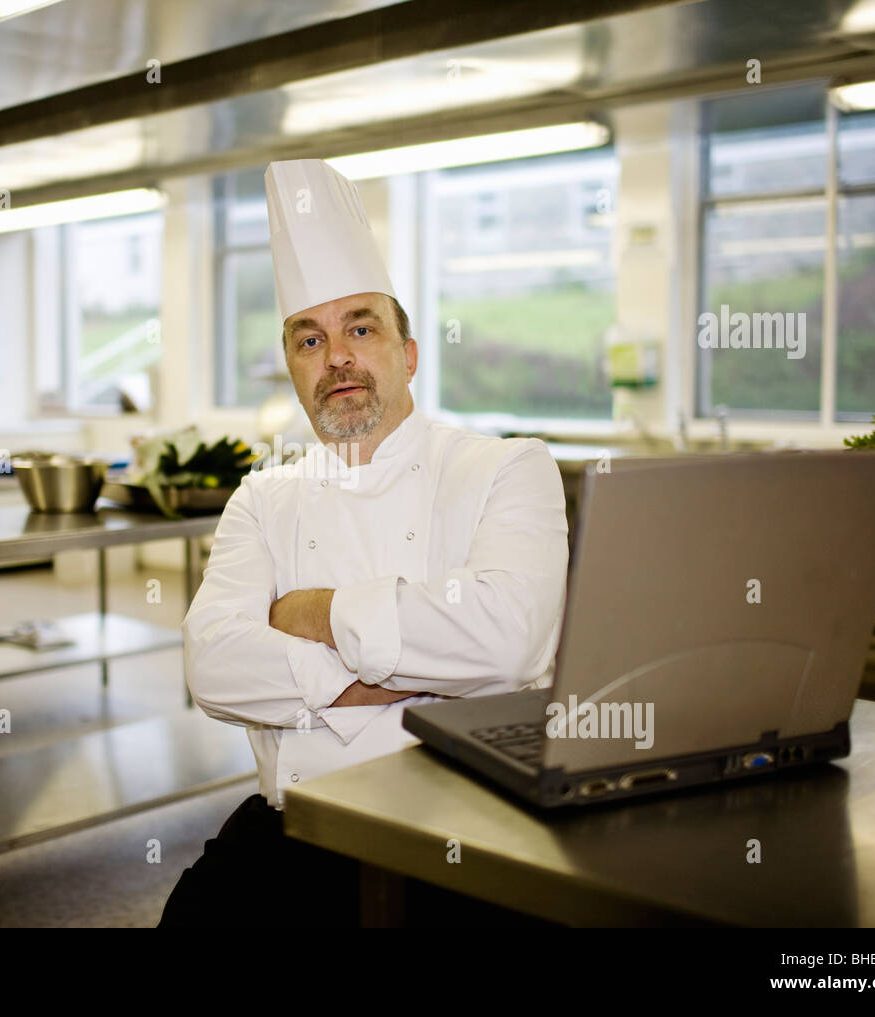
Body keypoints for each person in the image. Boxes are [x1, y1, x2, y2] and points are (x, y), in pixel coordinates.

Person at [158, 159, 568, 927]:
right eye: (308, 338)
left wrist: (311, 610)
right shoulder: (265, 495)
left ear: (408, 353)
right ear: (292, 369)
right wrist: (404, 677)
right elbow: (211, 662)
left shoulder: (504, 467)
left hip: (468, 838)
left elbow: (506, 641)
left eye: (360, 326)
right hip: (296, 831)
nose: (336, 356)